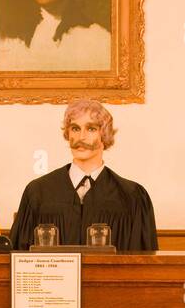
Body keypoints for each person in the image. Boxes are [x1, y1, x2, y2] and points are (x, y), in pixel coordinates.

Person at [9, 100, 158, 252]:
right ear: (68, 133)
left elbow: (143, 265)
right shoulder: (38, 192)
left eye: (91, 129)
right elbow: (19, 260)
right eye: (75, 128)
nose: (81, 137)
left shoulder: (132, 196)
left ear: (104, 135)